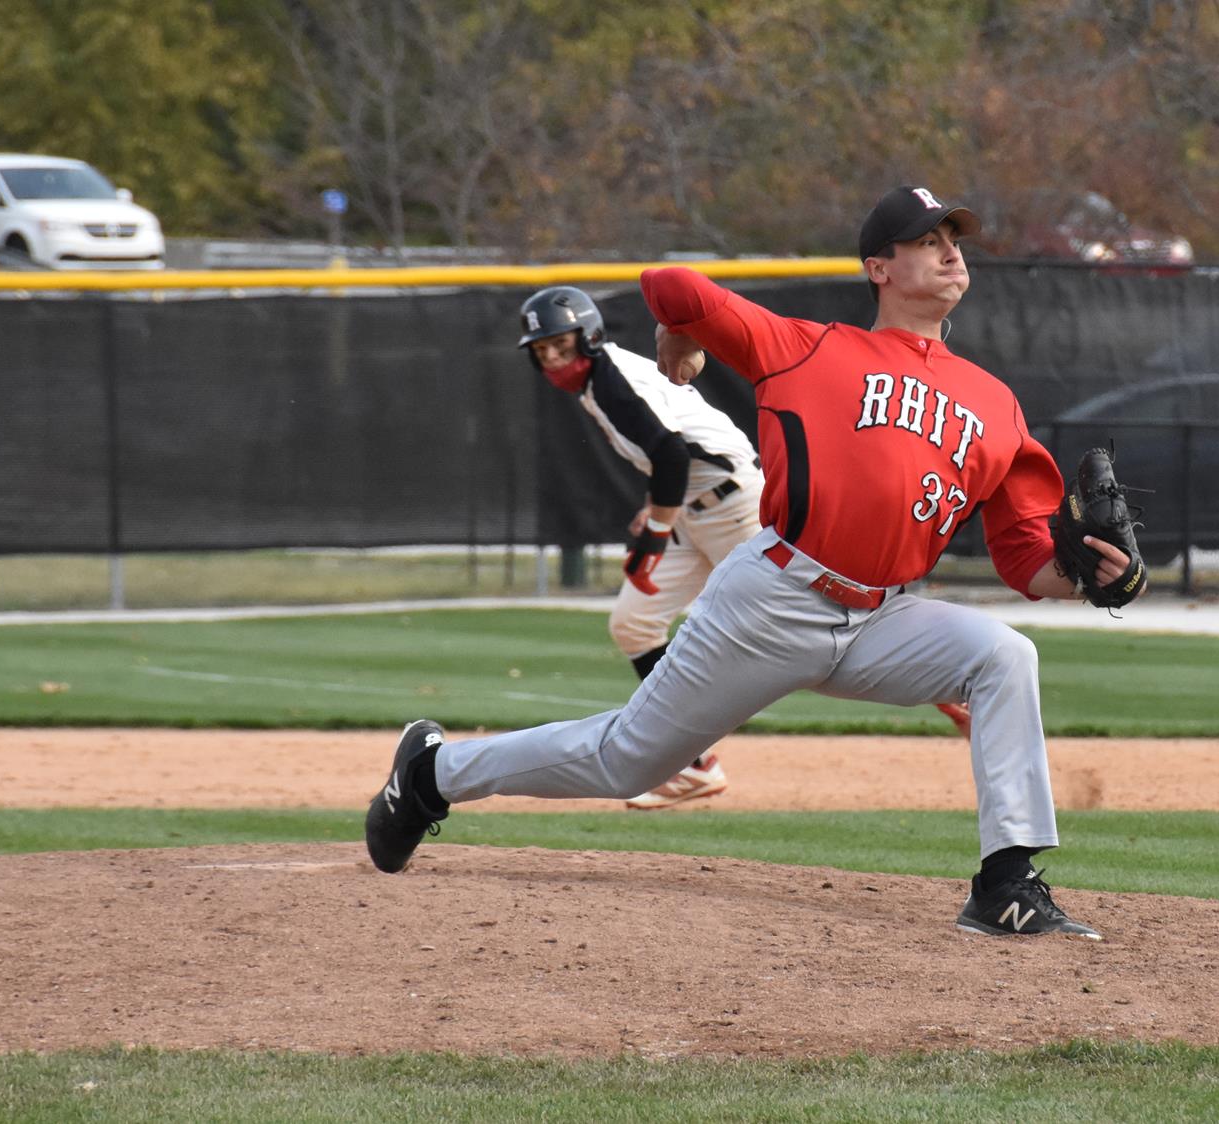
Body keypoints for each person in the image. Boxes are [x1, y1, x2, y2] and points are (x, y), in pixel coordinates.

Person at [367, 185, 1135, 939]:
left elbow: (1024, 560)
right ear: (878, 267)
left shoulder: (993, 403)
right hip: (774, 599)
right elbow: (666, 283)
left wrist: (1098, 579)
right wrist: (683, 330)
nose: (948, 251)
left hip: (883, 615)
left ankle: (1005, 886)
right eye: (926, 239)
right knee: (625, 762)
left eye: (954, 239)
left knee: (1004, 656)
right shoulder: (808, 348)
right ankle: (432, 775)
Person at [515, 287, 971, 808]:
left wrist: (657, 530)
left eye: (560, 342)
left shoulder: (610, 379)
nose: (553, 356)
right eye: (542, 348)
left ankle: (950, 686)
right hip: (698, 508)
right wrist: (658, 509)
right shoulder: (602, 380)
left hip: (735, 508)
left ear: (588, 334)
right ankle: (693, 768)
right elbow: (677, 449)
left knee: (825, 620)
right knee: (634, 624)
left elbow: (670, 454)